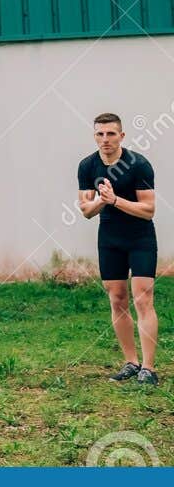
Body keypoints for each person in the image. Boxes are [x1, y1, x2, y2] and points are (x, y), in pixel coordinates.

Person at [77, 112, 158, 385]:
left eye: (111, 134)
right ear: (94, 136)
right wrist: (103, 201)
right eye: (100, 134)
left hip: (140, 238)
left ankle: (148, 368)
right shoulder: (87, 166)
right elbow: (86, 210)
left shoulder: (138, 164)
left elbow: (148, 210)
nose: (105, 139)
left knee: (143, 299)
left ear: (121, 136)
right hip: (109, 238)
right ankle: (131, 363)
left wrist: (114, 201)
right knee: (117, 299)